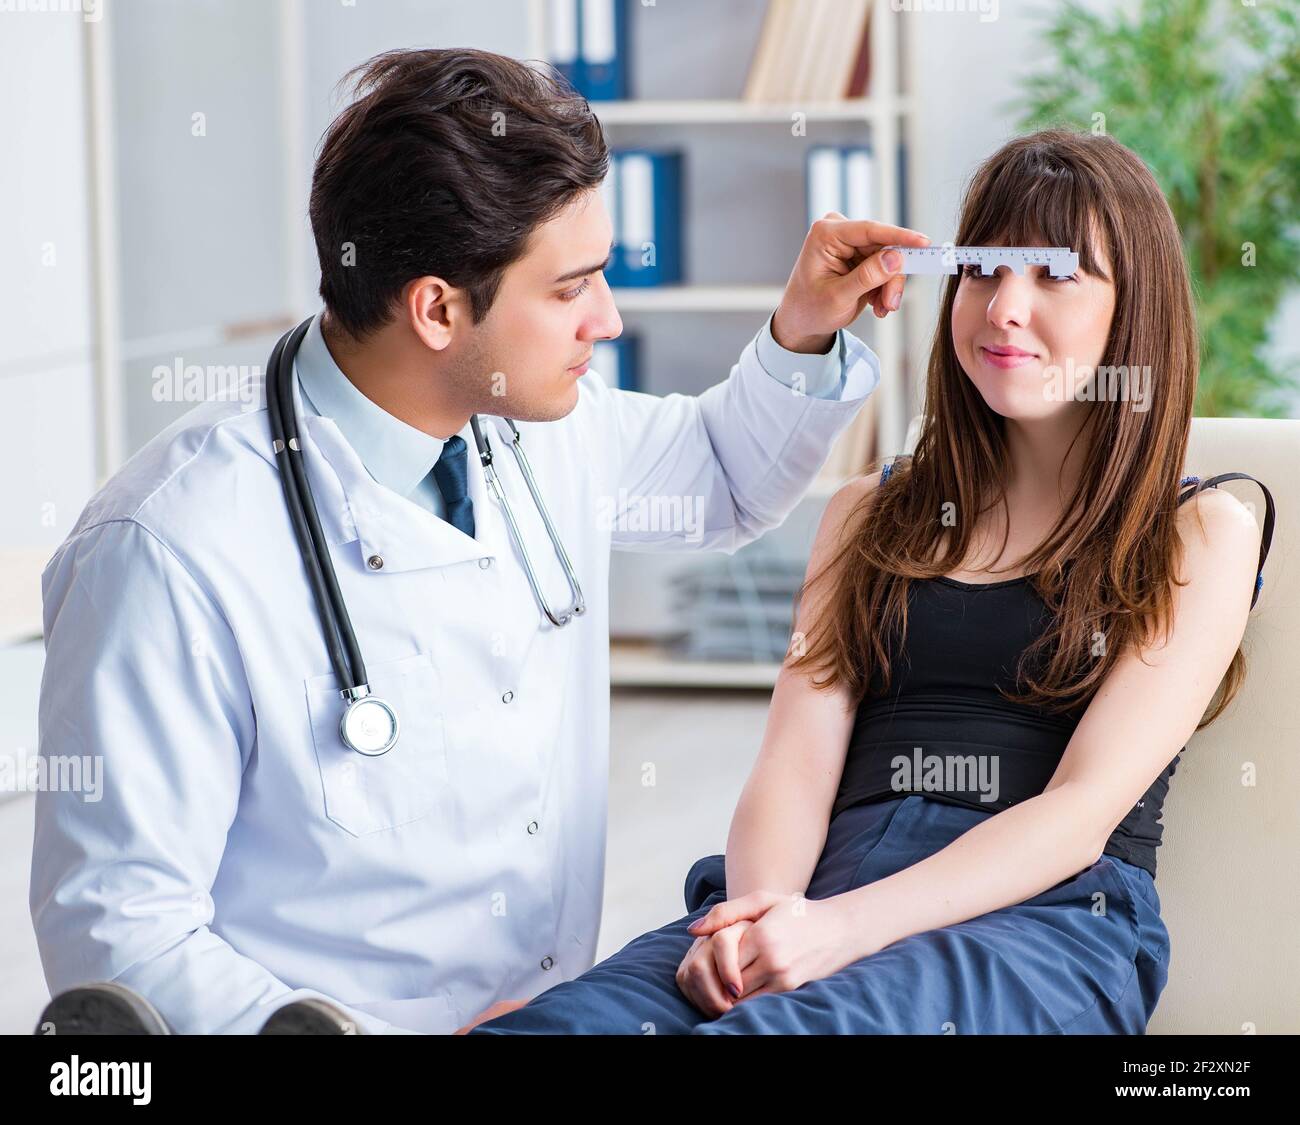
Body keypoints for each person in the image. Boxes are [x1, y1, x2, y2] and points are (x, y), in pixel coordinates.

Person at [29, 47, 927, 1035]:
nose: (610, 319)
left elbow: (716, 479)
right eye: (570, 288)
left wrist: (802, 328)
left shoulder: (534, 423)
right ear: (438, 309)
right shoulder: (167, 546)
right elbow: (121, 931)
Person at [469, 128, 1276, 1035]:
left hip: (1042, 921)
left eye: (1055, 276)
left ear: (1137, 311)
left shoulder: (1200, 530)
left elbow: (1080, 813)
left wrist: (835, 933)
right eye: (984, 271)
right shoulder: (867, 512)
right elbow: (794, 762)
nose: (1005, 308)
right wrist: (764, 919)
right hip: (823, 882)